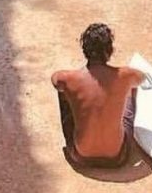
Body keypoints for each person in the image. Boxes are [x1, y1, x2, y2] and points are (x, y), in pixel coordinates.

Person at [51, 22, 144, 169]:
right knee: (132, 88)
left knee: (63, 91)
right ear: (109, 50)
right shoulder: (125, 75)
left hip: (80, 156)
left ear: (85, 50)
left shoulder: (68, 78)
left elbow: (55, 80)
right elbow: (141, 78)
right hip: (117, 157)